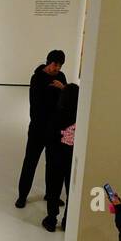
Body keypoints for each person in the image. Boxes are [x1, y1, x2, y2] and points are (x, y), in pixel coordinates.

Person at [16, 49, 68, 209]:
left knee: (52, 165)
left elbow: (66, 102)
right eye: (55, 64)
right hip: (38, 129)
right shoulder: (37, 78)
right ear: (48, 62)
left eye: (60, 65)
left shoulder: (61, 77)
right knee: (30, 162)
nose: (57, 68)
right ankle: (22, 195)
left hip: (54, 130)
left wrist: (63, 89)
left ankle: (51, 195)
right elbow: (35, 105)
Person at [43, 81, 80, 232]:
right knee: (71, 190)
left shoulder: (56, 115)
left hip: (55, 158)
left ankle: (51, 219)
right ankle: (67, 221)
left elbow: (49, 137)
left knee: (53, 189)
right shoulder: (80, 117)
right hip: (72, 159)